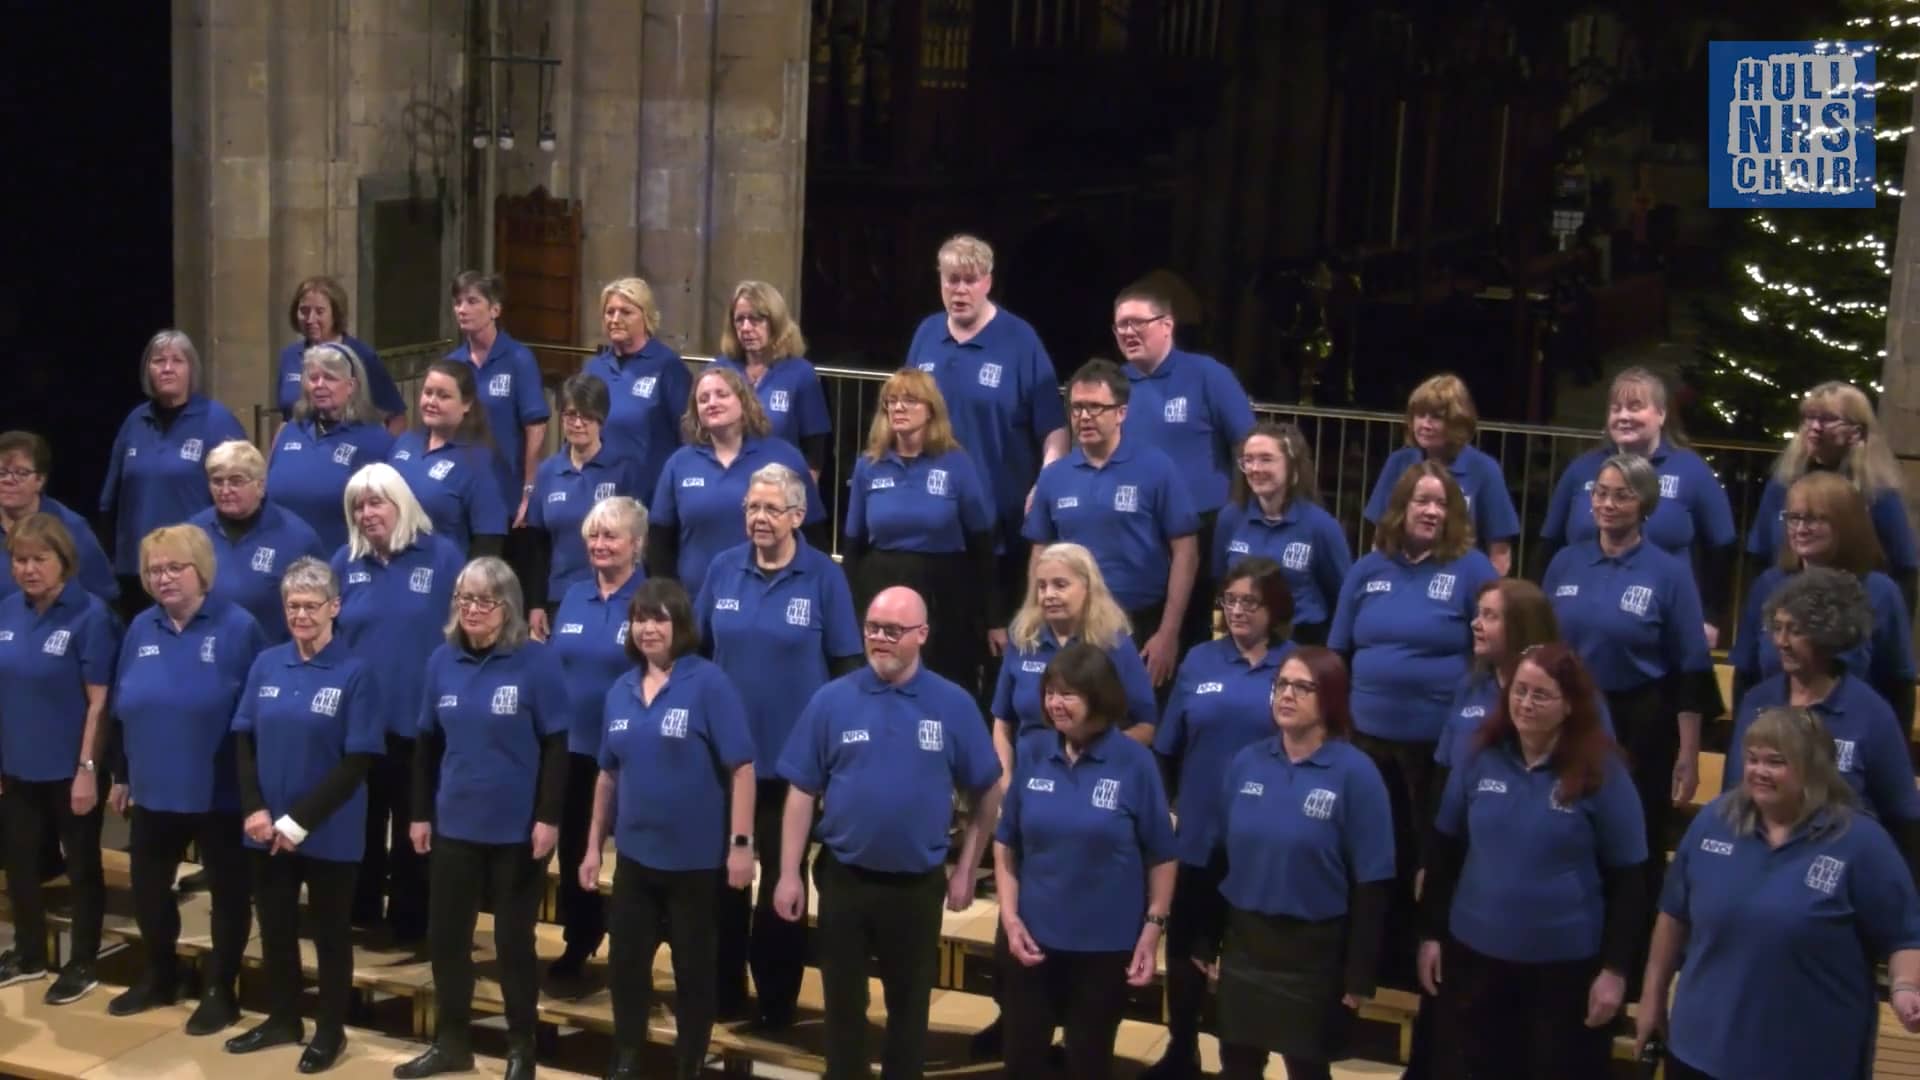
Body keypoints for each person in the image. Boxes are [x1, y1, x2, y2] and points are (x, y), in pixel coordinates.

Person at [772, 587, 1003, 1080]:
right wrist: (788, 873)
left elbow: (987, 790)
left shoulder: (952, 704)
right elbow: (799, 792)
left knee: (909, 1007)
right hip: (844, 877)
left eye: (892, 631)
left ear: (921, 635)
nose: (879, 639)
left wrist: (967, 869)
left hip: (917, 883)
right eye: (873, 628)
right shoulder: (832, 699)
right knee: (842, 1004)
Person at [1635, 707, 1920, 1079]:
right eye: (1752, 759)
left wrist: (1905, 987)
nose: (1758, 772)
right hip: (1700, 1050)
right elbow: (1673, 915)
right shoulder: (1714, 822)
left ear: (1812, 768)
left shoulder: (1861, 843)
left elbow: (1904, 935)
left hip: (1807, 1060)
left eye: (1775, 762)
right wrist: (1652, 998)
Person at [1419, 643, 1646, 1080]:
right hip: (1474, 958)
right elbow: (1445, 851)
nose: (1525, 703)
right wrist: (1430, 935)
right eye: (1519, 690)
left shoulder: (1603, 771)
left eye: (1540, 695)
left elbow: (1631, 881)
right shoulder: (1478, 756)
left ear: (1569, 705)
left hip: (1562, 970)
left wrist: (1616, 971)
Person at [696, 463, 862, 1026]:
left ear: (797, 515)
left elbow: (846, 668)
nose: (758, 518)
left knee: (780, 885)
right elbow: (694, 654)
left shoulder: (823, 578)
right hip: (724, 762)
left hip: (794, 766)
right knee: (722, 881)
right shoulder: (722, 570)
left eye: (770, 509)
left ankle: (776, 1001)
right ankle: (721, 993)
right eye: (751, 508)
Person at [1328, 460, 1498, 986]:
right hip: (1366, 742)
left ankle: (1418, 966)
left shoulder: (1471, 570)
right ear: (1399, 508)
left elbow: (1491, 655)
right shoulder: (1367, 570)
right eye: (1421, 500)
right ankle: (1364, 964)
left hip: (1437, 749)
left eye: (1440, 502)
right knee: (1371, 858)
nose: (1430, 510)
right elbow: (1338, 651)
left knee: (1427, 858)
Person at [397, 557, 569, 1080]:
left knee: (514, 942)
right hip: (455, 825)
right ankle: (452, 1042)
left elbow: (558, 745)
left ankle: (522, 1047)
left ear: (509, 607)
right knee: (447, 937)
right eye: (464, 599)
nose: (472, 610)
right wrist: (420, 814)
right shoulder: (440, 662)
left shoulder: (536, 663)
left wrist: (548, 818)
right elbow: (426, 745)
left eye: (485, 601)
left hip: (517, 829)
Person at [582, 579, 757, 1079]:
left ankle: (689, 1065)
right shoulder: (619, 690)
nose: (648, 628)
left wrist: (740, 845)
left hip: (695, 862)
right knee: (626, 967)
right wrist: (594, 846)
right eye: (640, 619)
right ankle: (627, 1057)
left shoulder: (709, 683)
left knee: (694, 974)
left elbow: (742, 768)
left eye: (659, 619)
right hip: (635, 857)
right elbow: (607, 774)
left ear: (680, 626)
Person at [1195, 646, 1395, 1080]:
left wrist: (1358, 973)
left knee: (1307, 1069)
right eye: (1282, 684)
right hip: (1247, 942)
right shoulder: (1247, 763)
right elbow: (1220, 859)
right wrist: (1206, 940)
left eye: (1303, 687)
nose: (1287, 695)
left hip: (1313, 953)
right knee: (1237, 1066)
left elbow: (1373, 881)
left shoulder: (1356, 773)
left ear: (1331, 698)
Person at [103, 525, 265, 1035]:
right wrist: (122, 773)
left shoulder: (238, 628)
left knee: (228, 894)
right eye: (154, 570)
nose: (164, 578)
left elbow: (256, 713)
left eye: (176, 568)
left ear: (203, 572)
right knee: (150, 887)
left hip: (218, 789)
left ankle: (221, 988)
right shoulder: (140, 628)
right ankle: (160, 974)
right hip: (153, 785)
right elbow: (122, 706)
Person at [225, 557, 384, 1073]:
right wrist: (253, 807)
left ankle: (330, 1031)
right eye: (292, 606)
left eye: (311, 606)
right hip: (264, 828)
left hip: (328, 831)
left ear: (335, 607)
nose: (301, 615)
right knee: (273, 928)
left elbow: (357, 760)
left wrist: (297, 822)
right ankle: (282, 1018)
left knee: (331, 935)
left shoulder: (356, 672)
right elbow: (244, 737)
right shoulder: (267, 663)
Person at [1141, 559, 1296, 1079]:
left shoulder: (1295, 666)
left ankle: (1248, 1058)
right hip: (1200, 833)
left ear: (1273, 607)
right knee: (1186, 950)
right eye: (1229, 601)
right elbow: (1167, 747)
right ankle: (1181, 1048)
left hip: (1266, 840)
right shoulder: (1200, 661)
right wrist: (1167, 809)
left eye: (1248, 602)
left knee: (1254, 960)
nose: (1236, 612)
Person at [1543, 452, 1713, 918]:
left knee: (1636, 836)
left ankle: (1630, 957)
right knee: (1570, 824)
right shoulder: (1565, 562)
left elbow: (1691, 667)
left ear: (1645, 504)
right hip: (1572, 716)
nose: (1608, 503)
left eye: (1622, 495)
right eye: (1600, 493)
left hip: (1641, 719)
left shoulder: (1669, 572)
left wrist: (1688, 751)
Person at [995, 642, 1177, 1077]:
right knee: (1021, 1061)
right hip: (1033, 941)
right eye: (1051, 692)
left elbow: (1163, 855)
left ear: (1099, 696)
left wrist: (1153, 928)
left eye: (1068, 694)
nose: (1055, 703)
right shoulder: (1036, 755)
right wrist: (1009, 916)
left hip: (1104, 945)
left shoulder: (1135, 762)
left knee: (1089, 1063)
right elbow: (1006, 844)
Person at [905, 235, 1068, 661]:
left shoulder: (1019, 339)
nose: (959, 290)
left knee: (1001, 644)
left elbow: (1054, 427)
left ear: (987, 282)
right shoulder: (926, 334)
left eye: (969, 280)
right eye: (951, 280)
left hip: (1001, 518)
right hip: (934, 520)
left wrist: (1046, 480)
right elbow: (900, 409)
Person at [332, 463, 465, 945]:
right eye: (358, 506)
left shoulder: (443, 557)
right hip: (360, 725)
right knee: (361, 823)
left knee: (417, 828)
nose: (366, 514)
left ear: (400, 503)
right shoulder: (343, 563)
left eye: (375, 503)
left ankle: (412, 923)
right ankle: (360, 911)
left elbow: (463, 634)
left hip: (420, 722)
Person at [1024, 359, 1199, 689]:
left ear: (1121, 412)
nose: (1084, 417)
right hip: (1071, 626)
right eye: (1076, 408)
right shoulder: (1054, 477)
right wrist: (1035, 617)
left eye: (1095, 407)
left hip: (1139, 623)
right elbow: (1039, 553)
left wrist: (1168, 633)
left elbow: (1186, 552)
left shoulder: (1157, 468)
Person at [0, 513, 117, 1003]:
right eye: (19, 560)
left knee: (83, 867)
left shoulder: (90, 615)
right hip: (17, 765)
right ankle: (28, 954)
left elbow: (100, 700)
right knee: (20, 863)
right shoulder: (7, 611)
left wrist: (87, 769)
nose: (28, 569)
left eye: (38, 559)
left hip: (71, 770)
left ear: (63, 562)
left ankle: (83, 961)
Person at [1729, 569, 1920, 852]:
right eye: (1777, 628)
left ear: (1829, 636)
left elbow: (1902, 815)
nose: (1781, 642)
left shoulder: (1871, 713)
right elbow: (1732, 795)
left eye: (1795, 631)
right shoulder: (1757, 701)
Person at [1538, 367, 1736, 640]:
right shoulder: (1582, 469)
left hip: (1663, 618)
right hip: (1580, 613)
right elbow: (1549, 544)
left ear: (1661, 414)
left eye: (1635, 407)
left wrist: (1711, 618)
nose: (1624, 417)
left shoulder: (1692, 470)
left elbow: (1722, 549)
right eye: (1616, 409)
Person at [1111, 284, 1256, 644]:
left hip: (1202, 526)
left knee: (1196, 634)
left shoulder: (1207, 374)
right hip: (1136, 529)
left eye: (1136, 322)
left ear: (1167, 325)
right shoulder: (1114, 384)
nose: (1127, 332)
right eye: (1120, 325)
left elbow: (1247, 444)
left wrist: (1236, 510)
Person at [543, 496, 647, 997]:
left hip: (631, 753)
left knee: (630, 853)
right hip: (574, 746)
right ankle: (579, 939)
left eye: (611, 536)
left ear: (637, 544)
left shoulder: (652, 600)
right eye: (594, 536)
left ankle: (633, 949)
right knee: (574, 851)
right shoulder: (574, 595)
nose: (600, 545)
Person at [842, 368, 997, 692]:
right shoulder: (868, 466)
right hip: (881, 582)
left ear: (931, 410)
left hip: (944, 591)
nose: (898, 408)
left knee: (943, 682)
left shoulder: (955, 462)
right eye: (892, 401)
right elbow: (853, 545)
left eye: (910, 401)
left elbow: (982, 545)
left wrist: (992, 617)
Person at [1730, 472, 1915, 726]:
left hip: (1850, 738)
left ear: (1846, 524)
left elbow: (1898, 686)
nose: (1800, 529)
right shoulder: (1769, 584)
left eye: (1814, 519)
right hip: (1773, 740)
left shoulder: (1881, 592)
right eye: (1794, 518)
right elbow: (1746, 675)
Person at [101, 330, 247, 613]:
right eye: (158, 361)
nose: (167, 368)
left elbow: (241, 498)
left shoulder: (217, 421)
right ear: (147, 370)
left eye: (177, 361)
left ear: (191, 369)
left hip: (193, 570)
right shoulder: (135, 421)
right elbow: (110, 499)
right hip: (138, 570)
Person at [647, 365, 823, 598]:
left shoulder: (784, 456)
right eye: (703, 398)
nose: (712, 402)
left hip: (772, 598)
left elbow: (812, 533)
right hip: (695, 604)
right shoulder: (679, 464)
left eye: (722, 394)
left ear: (744, 401)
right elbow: (660, 543)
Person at [992, 543, 1158, 776]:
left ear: (1088, 588)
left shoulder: (1114, 644)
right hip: (1029, 780)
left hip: (1095, 778)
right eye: (1042, 586)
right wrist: (1006, 780)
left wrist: (1093, 754)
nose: (1049, 595)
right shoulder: (1023, 640)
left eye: (1060, 585)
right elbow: (1002, 723)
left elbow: (1146, 726)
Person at [1748, 381, 1918, 608]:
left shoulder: (1878, 493)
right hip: (1785, 611)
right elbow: (1758, 554)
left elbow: (1903, 567)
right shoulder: (1782, 485)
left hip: (1851, 616)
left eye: (1827, 419)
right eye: (1809, 417)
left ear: (1857, 431)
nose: (1815, 427)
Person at [524, 373, 646, 639]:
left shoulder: (625, 468)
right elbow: (537, 546)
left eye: (587, 416)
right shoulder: (548, 472)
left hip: (618, 596)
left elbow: (640, 540)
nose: (577, 423)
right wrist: (535, 604)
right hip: (560, 597)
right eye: (570, 415)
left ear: (601, 419)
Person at [1364, 374, 1519, 576]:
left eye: (1436, 417)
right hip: (1402, 577)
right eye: (1420, 415)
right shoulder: (1399, 462)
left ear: (1457, 422)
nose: (1425, 425)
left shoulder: (1484, 469)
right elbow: (1380, 537)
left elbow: (1500, 553)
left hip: (1460, 580)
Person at [1212, 423, 1350, 645]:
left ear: (1292, 466)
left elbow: (1343, 597)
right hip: (1244, 640)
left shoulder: (1321, 526)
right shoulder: (1230, 518)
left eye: (1266, 459)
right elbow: (1221, 579)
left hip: (1302, 641)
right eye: (1248, 460)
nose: (1255, 468)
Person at [192, 441, 327, 647]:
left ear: (260, 485)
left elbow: (318, 611)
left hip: (271, 659)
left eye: (236, 481)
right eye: (217, 482)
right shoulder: (192, 533)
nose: (225, 490)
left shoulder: (298, 538)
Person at [267, 342, 397, 552]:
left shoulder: (376, 441)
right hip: (281, 561)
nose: (319, 385)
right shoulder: (291, 429)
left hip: (337, 563)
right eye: (313, 378)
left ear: (351, 386)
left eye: (330, 378)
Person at [444, 271, 550, 530]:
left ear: (495, 310)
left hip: (507, 492)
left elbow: (535, 427)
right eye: (458, 302)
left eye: (472, 301)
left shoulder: (518, 358)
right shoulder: (454, 364)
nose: (462, 309)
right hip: (463, 490)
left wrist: (529, 491)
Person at [388, 359, 509, 557]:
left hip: (445, 576)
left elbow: (488, 542)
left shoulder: (480, 461)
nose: (431, 402)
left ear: (466, 404)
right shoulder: (405, 442)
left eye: (444, 396)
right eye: (428, 393)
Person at [586, 276, 690, 504]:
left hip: (649, 501)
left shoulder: (668, 367)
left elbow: (688, 437)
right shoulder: (594, 369)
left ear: (646, 316)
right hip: (599, 498)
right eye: (609, 311)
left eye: (625, 312)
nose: (615, 319)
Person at [715, 280, 830, 473]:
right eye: (739, 319)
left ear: (775, 322)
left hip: (779, 488)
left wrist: (804, 494)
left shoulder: (800, 373)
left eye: (755, 319)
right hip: (727, 481)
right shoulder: (719, 370)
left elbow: (814, 449)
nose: (746, 327)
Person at [275, 275, 408, 433]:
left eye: (320, 311)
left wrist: (381, 452)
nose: (310, 319)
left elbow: (397, 417)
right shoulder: (289, 356)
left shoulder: (362, 356)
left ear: (335, 314)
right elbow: (286, 419)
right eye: (304, 311)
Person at [0, 430, 117, 605]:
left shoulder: (70, 528)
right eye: (2, 473)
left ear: (40, 480)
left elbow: (103, 597)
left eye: (21, 473)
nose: (8, 480)